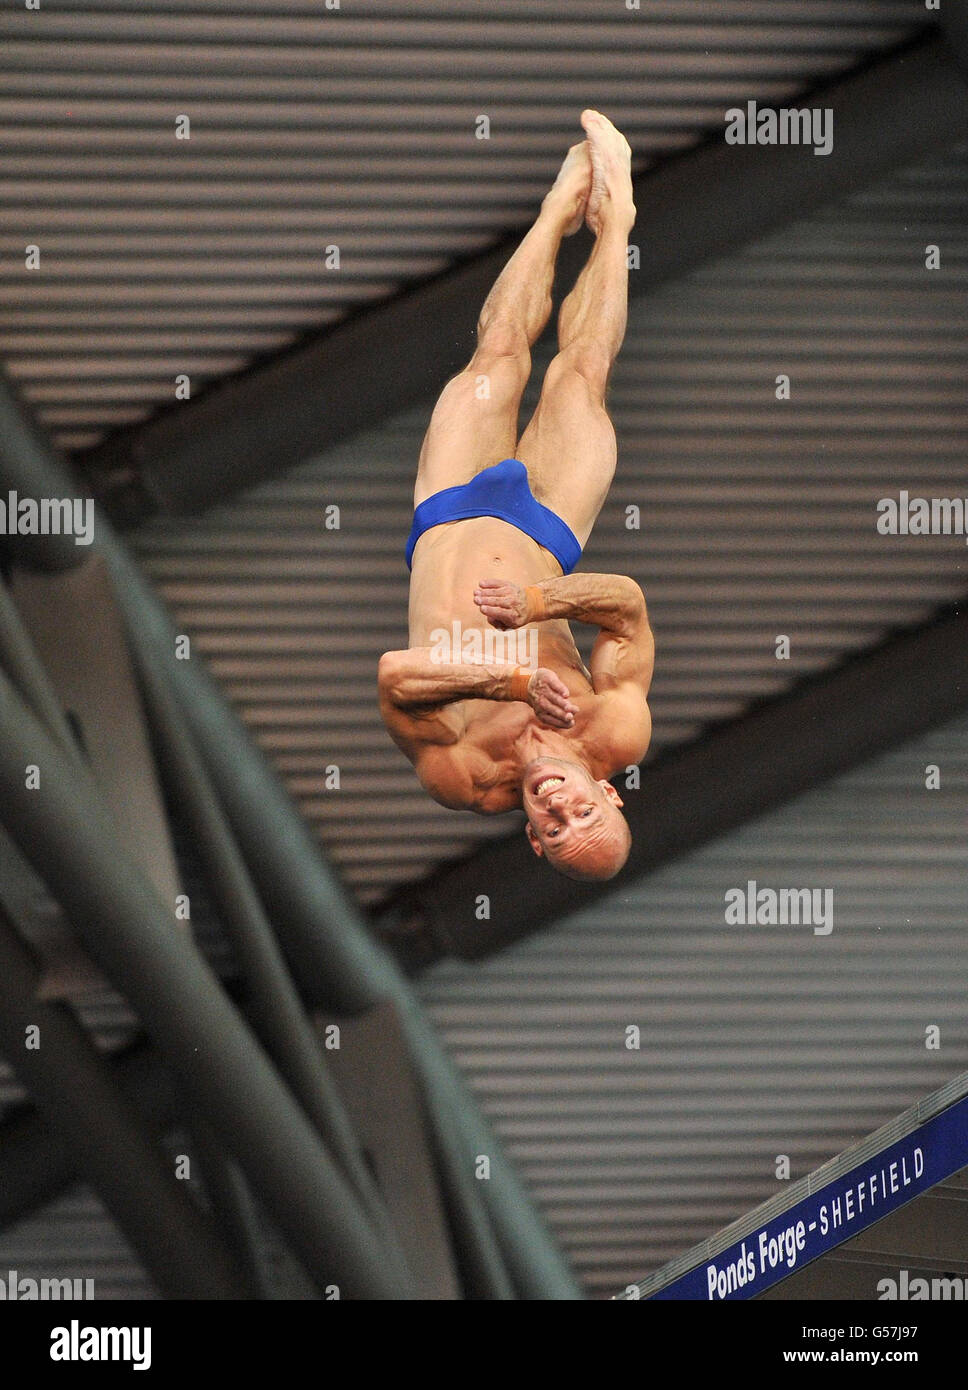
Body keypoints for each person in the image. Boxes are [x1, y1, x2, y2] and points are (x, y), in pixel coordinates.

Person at [379, 111, 654, 881]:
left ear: (533, 836)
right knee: (581, 374)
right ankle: (609, 217)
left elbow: (396, 678)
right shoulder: (616, 730)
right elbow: (627, 605)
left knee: (497, 357)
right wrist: (537, 607)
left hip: (450, 509)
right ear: (610, 794)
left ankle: (553, 208)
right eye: (584, 810)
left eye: (554, 827)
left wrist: (518, 682)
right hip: (546, 530)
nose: (559, 805)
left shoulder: (463, 777)